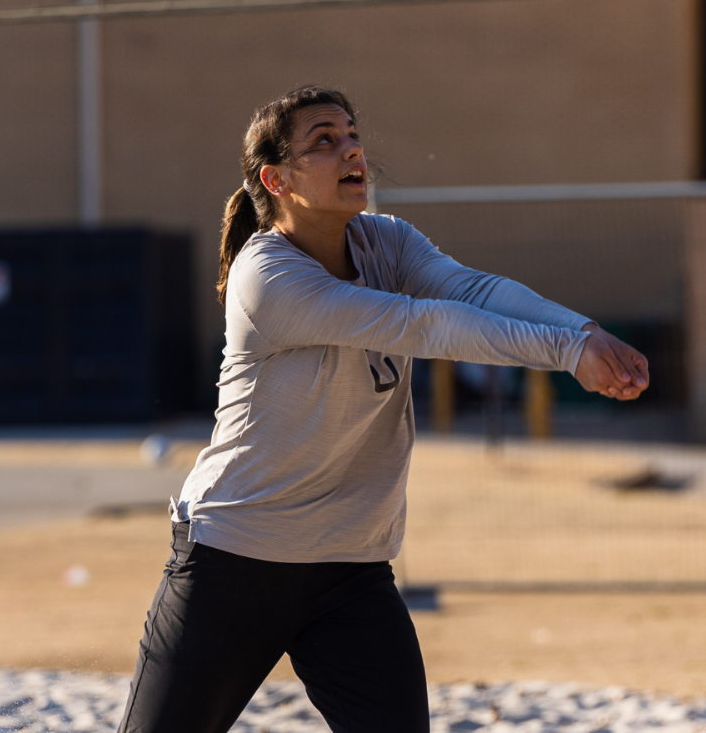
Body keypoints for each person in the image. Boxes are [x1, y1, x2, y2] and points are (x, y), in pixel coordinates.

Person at [117, 85, 649, 733]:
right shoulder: (267, 276)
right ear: (276, 179)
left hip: (349, 569)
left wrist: (583, 331)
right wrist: (566, 352)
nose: (351, 149)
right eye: (324, 141)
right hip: (235, 562)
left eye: (351, 133)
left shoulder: (386, 242)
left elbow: (474, 289)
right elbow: (423, 325)